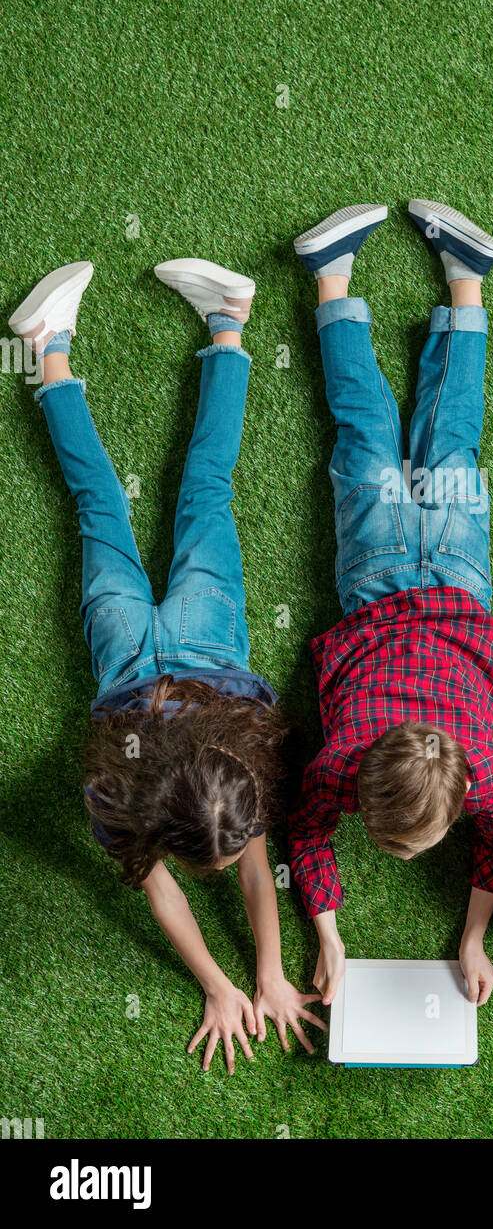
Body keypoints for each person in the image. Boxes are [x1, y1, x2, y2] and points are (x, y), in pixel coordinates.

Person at [8, 257, 325, 1071]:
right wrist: (236, 980)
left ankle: (228, 322)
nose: (229, 863)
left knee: (206, 489)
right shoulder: (119, 794)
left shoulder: (234, 776)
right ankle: (50, 348)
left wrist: (254, 977)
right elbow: (193, 883)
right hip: (128, 651)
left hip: (203, 635)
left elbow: (236, 871)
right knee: (101, 507)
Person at [286, 200, 493, 1007]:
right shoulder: (343, 761)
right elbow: (310, 833)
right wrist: (468, 935)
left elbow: (307, 835)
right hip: (378, 573)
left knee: (450, 436)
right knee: (365, 432)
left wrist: (331, 936)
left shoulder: (484, 772)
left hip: (455, 575)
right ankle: (332, 275)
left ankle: (466, 282)